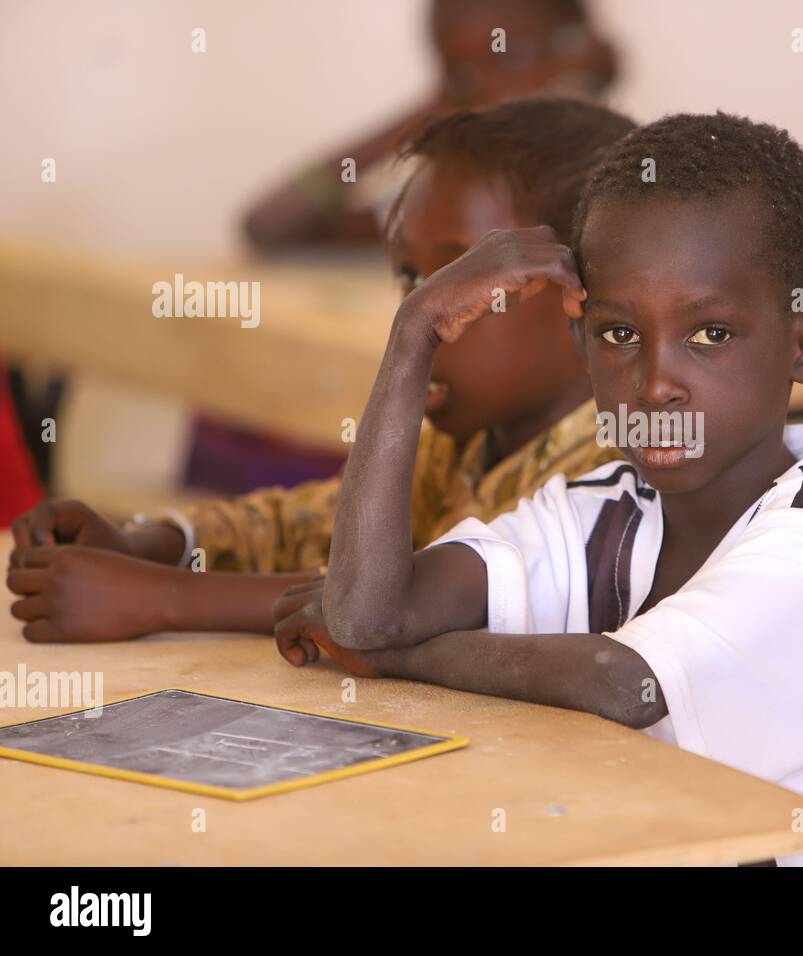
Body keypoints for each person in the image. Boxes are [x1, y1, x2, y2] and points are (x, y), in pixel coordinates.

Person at [291, 112, 803, 866]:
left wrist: (391, 657)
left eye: (711, 335)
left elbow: (620, 682)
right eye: (620, 334)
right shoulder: (599, 507)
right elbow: (368, 614)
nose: (656, 384)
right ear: (580, 343)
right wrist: (414, 335)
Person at [6, 98, 633, 643]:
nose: (421, 316)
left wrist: (160, 598)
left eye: (460, 284)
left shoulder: (617, 473)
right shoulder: (466, 443)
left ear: (579, 293)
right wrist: (152, 543)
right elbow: (314, 525)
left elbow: (416, 609)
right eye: (411, 281)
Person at [242, 0, 618, 251]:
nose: (490, 89)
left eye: (511, 56)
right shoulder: (454, 197)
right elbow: (269, 226)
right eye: (462, 76)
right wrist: (422, 116)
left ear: (581, 48)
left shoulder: (619, 174)